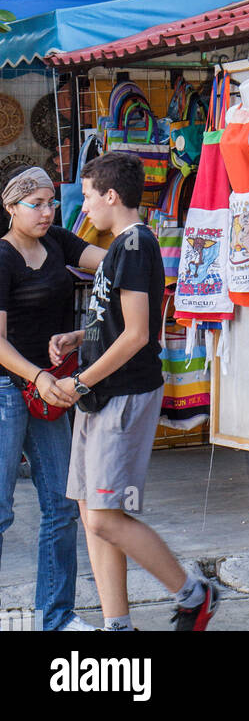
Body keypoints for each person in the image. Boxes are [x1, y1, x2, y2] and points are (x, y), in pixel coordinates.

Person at [49, 151, 218, 632]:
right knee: (91, 514)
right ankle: (117, 626)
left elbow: (139, 335)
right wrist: (80, 338)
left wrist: (80, 380)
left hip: (119, 395)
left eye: (88, 197)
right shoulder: (123, 246)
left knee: (103, 517)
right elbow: (119, 320)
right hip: (100, 395)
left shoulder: (137, 246)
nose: (84, 208)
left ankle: (194, 593)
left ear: (111, 195)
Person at [0, 164, 107, 631]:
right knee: (0, 512)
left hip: (50, 389)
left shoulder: (59, 241)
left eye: (51, 202)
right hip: (7, 388)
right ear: (10, 208)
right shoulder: (2, 259)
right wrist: (37, 376)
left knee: (63, 505)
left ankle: (56, 616)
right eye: (36, 204)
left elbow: (112, 262)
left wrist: (137, 237)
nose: (47, 212)